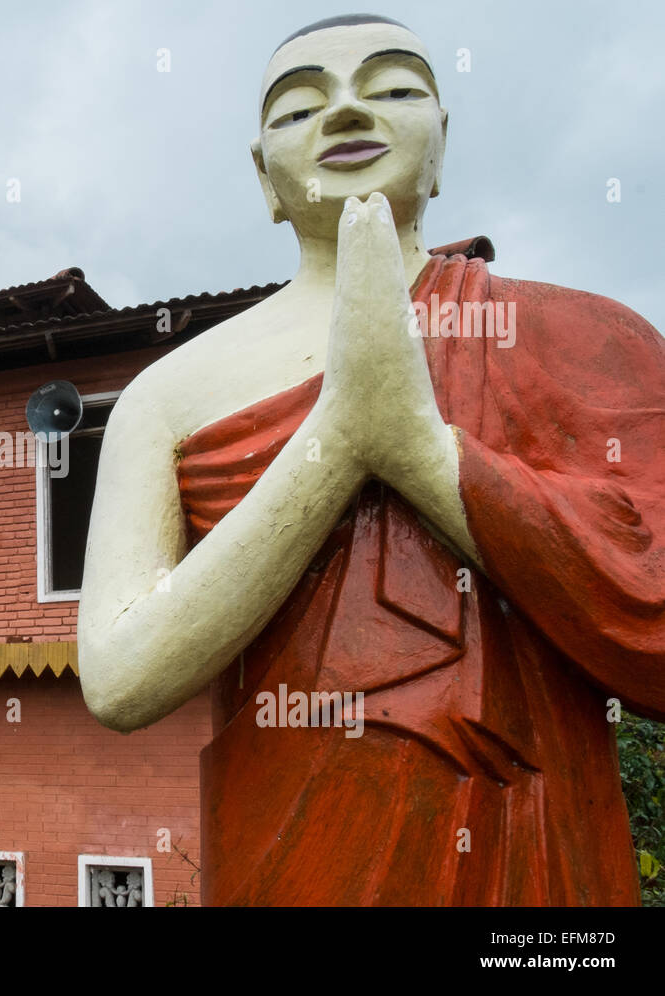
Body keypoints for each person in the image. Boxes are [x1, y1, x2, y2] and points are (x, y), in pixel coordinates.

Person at [77, 15, 665, 905]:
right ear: (262, 178)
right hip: (298, 829)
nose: (348, 110)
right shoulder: (168, 392)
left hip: (537, 844)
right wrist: (342, 437)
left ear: (440, 148)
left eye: (392, 88)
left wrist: (424, 454)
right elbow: (119, 680)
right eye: (301, 104)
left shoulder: (583, 336)